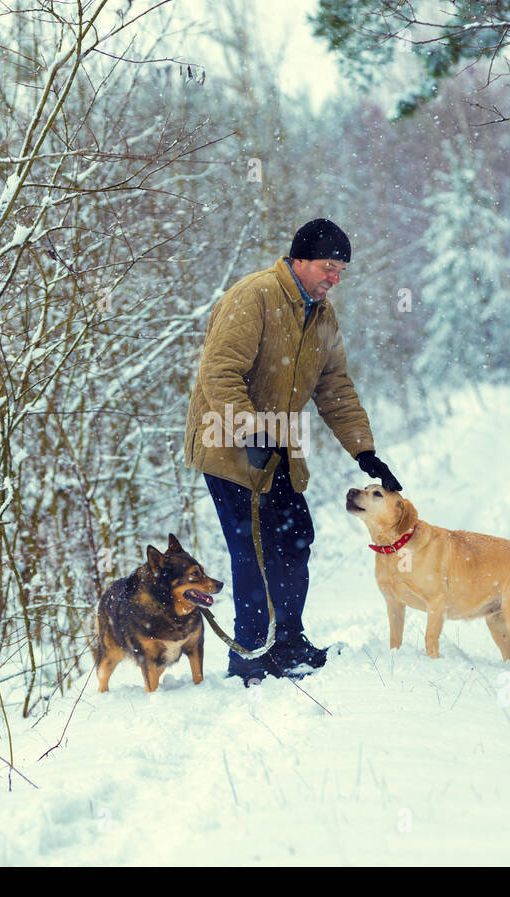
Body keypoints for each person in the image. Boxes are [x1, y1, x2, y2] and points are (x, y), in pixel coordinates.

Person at [184, 219, 402, 684]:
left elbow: (335, 388)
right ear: (299, 260)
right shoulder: (255, 297)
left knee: (295, 538)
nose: (334, 278)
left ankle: (286, 642)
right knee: (253, 550)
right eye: (328, 267)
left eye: (341, 270)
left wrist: (365, 453)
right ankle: (249, 654)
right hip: (227, 443)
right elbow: (219, 374)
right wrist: (248, 432)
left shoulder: (321, 315)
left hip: (278, 443)